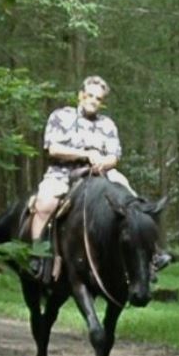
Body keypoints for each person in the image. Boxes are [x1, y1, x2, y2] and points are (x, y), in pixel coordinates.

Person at [27, 76, 129, 277]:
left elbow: (114, 156)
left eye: (98, 98)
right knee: (45, 202)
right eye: (89, 95)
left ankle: (147, 253)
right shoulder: (60, 116)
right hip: (63, 172)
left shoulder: (107, 124)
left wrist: (104, 162)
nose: (93, 100)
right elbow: (53, 148)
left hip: (100, 174)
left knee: (130, 197)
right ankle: (37, 253)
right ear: (80, 95)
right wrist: (85, 154)